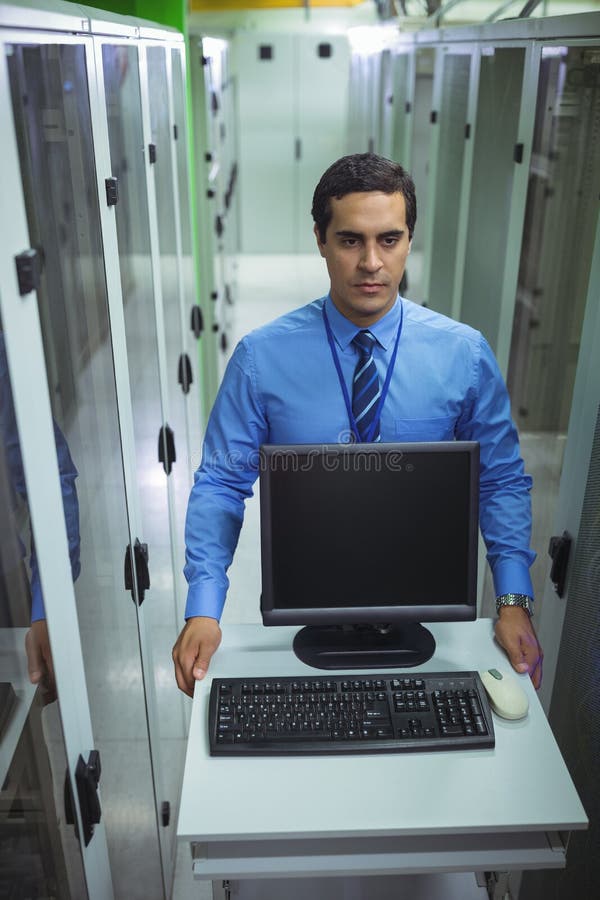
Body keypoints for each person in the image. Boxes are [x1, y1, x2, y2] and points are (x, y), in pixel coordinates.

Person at [172, 153, 543, 695]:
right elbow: (221, 483)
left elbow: (501, 479)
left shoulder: (462, 354)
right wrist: (203, 608)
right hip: (304, 609)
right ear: (320, 239)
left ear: (409, 239)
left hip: (427, 607)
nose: (372, 262)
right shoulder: (261, 359)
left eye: (389, 239)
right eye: (350, 240)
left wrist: (512, 599)